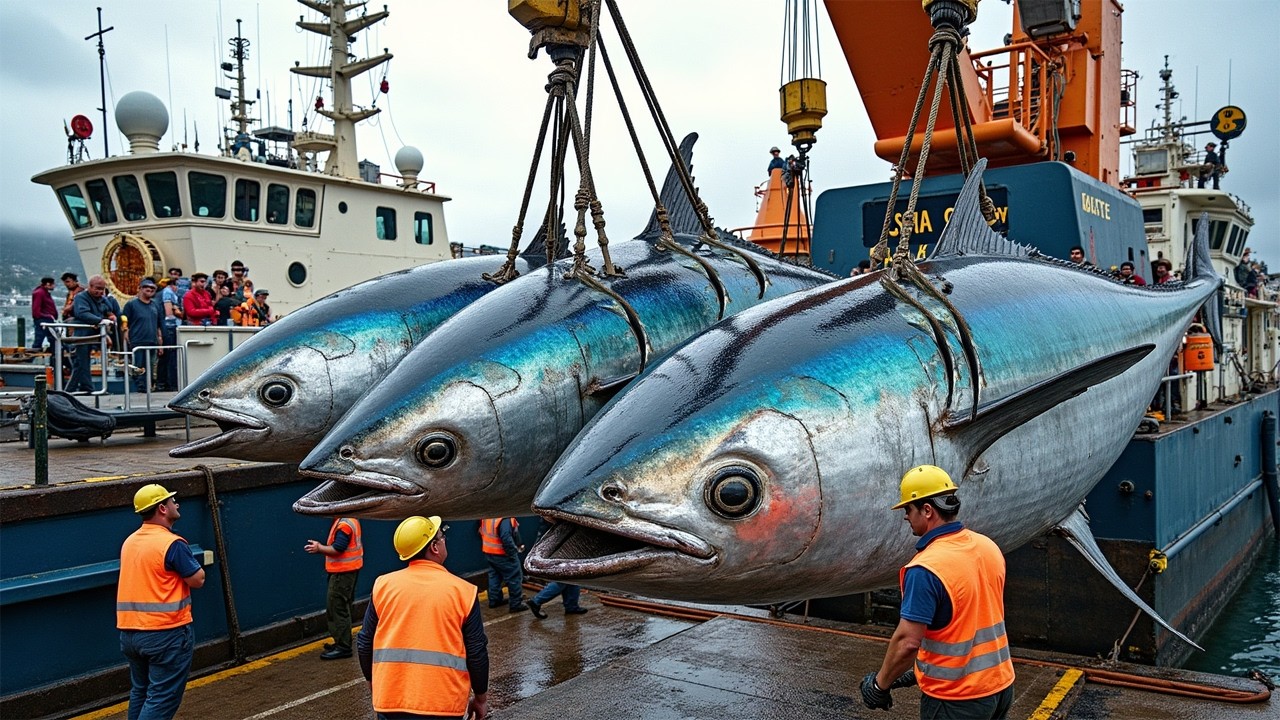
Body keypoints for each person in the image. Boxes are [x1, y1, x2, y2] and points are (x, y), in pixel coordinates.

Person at [861, 465, 1015, 718]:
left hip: (956, 699)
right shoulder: (987, 547)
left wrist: (880, 685)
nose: (906, 517)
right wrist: (919, 670)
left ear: (927, 510)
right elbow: (968, 621)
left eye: (908, 509)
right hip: (1000, 687)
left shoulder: (925, 569)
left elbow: (908, 642)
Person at [356, 516, 489, 719]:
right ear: (434, 547)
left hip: (390, 702)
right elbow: (477, 652)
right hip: (442, 704)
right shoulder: (463, 591)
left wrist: (372, 682)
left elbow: (365, 642)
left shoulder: (383, 585)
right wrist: (480, 698)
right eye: (442, 536)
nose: (444, 540)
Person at [117, 484, 205, 720]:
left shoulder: (130, 542)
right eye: (171, 501)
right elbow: (197, 579)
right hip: (165, 633)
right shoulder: (172, 543)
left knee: (141, 691)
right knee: (162, 697)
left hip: (130, 634)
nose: (176, 504)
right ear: (162, 509)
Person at [305, 517, 363, 660]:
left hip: (342, 574)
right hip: (347, 572)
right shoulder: (351, 519)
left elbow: (338, 548)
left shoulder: (344, 524)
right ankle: (341, 642)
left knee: (337, 608)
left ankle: (343, 647)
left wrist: (319, 548)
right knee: (341, 607)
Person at [67, 275, 121, 393]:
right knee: (81, 363)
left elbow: (109, 308)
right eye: (97, 288)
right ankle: (83, 389)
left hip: (95, 335)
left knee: (81, 364)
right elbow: (82, 313)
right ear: (90, 286)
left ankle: (77, 389)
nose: (100, 292)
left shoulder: (102, 298)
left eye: (102, 289)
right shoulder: (81, 297)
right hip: (82, 336)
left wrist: (110, 315)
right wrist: (100, 321)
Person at [527, 520, 589, 619]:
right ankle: (536, 601)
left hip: (563, 547)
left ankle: (571, 606)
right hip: (564, 549)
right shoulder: (558, 520)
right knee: (562, 580)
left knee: (572, 578)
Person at [478, 518, 527, 612]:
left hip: (489, 551)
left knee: (494, 576)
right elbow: (506, 537)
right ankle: (516, 604)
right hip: (502, 554)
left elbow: (481, 530)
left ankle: (494, 600)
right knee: (514, 577)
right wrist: (512, 553)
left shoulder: (488, 516)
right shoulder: (504, 518)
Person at [122, 278, 165, 380]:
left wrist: (160, 344)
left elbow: (158, 326)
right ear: (140, 288)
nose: (150, 289)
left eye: (152, 288)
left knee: (150, 370)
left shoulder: (156, 305)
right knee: (137, 369)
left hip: (152, 342)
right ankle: (138, 387)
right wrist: (126, 335)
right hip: (137, 342)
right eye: (146, 287)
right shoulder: (131, 304)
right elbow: (124, 322)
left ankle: (148, 387)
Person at [158, 278, 183, 390]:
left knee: (168, 357)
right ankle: (168, 383)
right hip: (170, 327)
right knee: (170, 357)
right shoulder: (168, 292)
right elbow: (169, 313)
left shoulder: (163, 293)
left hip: (168, 327)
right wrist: (179, 313)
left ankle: (164, 383)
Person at [31, 277, 58, 352]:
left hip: (47, 320)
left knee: (53, 340)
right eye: (53, 284)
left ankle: (55, 355)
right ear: (48, 284)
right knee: (41, 340)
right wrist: (48, 316)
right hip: (43, 320)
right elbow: (36, 310)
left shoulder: (44, 292)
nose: (54, 286)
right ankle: (31, 356)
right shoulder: (40, 293)